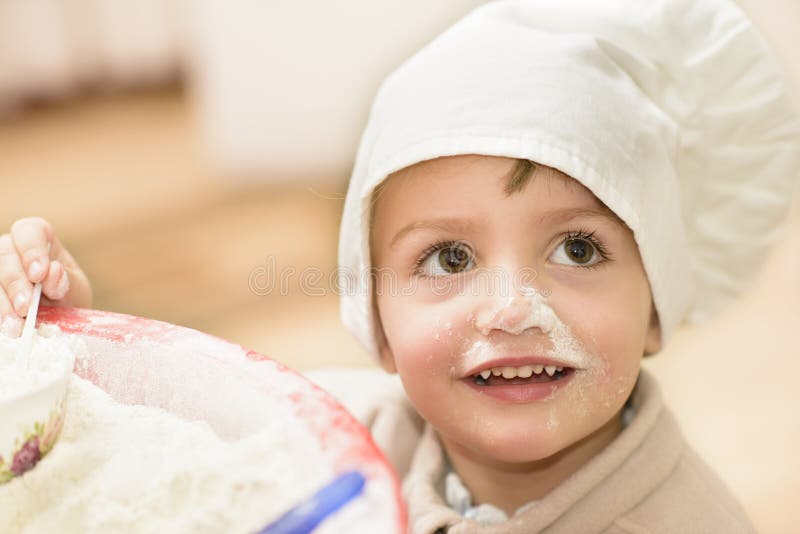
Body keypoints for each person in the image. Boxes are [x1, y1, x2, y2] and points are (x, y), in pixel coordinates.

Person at [2, 0, 799, 532]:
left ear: (656, 303)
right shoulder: (335, 437)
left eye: (577, 249)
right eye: (449, 256)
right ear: (373, 322)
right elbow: (155, 464)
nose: (513, 308)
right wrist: (67, 334)